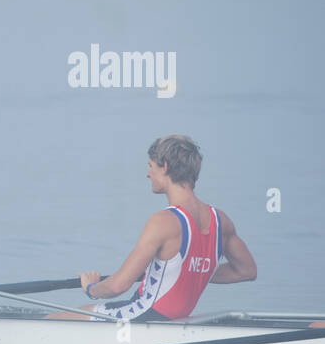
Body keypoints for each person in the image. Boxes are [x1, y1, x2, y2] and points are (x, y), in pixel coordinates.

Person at [68, 134, 256, 321]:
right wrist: (189, 271)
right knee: (77, 313)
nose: (148, 173)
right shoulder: (222, 221)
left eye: (150, 166)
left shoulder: (163, 221)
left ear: (164, 167)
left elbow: (117, 286)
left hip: (144, 316)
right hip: (174, 320)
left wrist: (91, 289)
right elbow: (246, 270)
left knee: (57, 317)